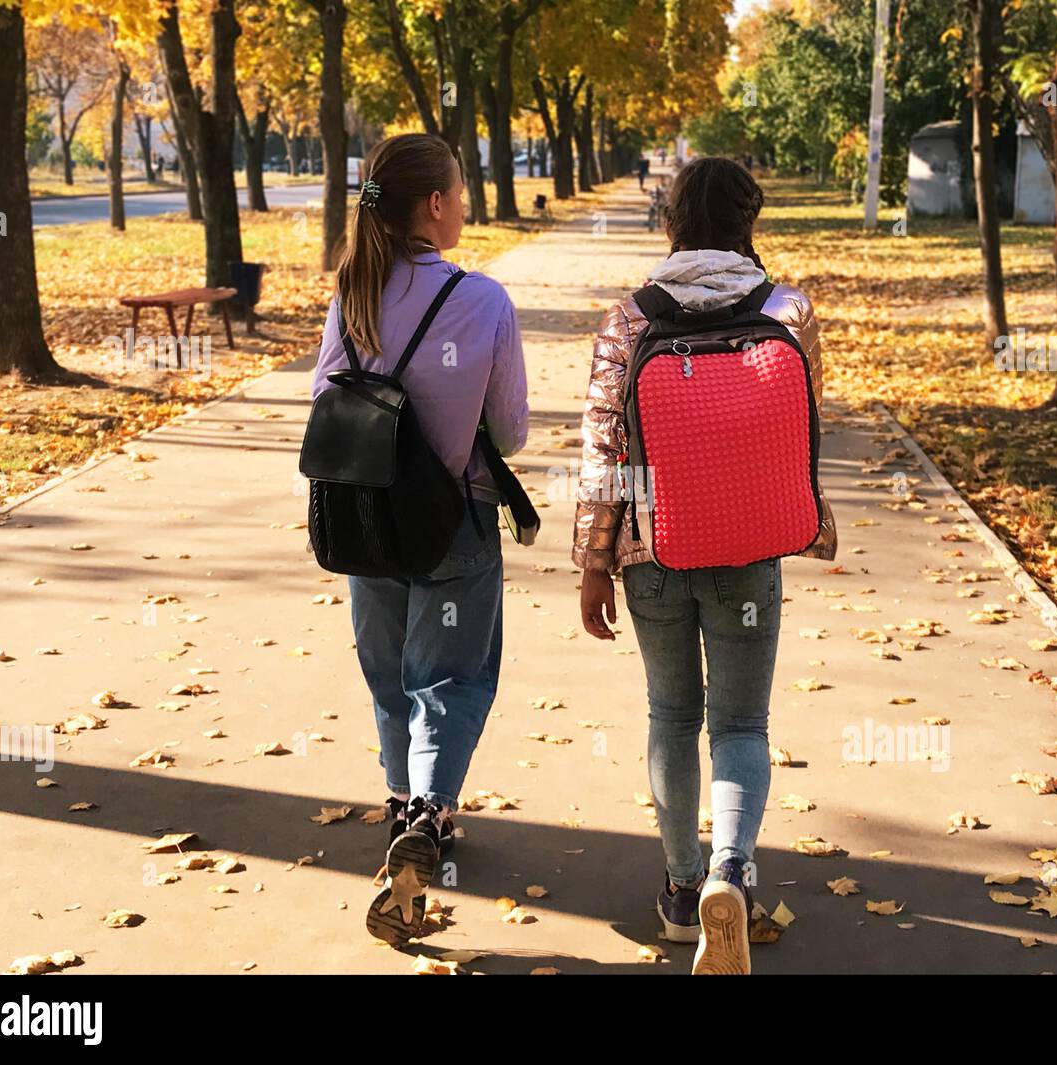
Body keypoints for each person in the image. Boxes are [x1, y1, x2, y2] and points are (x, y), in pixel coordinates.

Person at [573, 157, 836, 975]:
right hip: (751, 549)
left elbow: (603, 452)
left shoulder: (629, 319)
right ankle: (733, 873)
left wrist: (592, 558)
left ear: (670, 222)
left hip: (652, 548)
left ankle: (684, 890)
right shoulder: (788, 311)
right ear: (749, 221)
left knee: (672, 715)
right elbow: (807, 423)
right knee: (743, 724)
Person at [311, 132, 529, 946]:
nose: (466, 204)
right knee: (454, 677)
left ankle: (403, 802)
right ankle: (430, 820)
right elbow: (508, 432)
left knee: (390, 672)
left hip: (369, 520)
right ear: (434, 205)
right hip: (454, 521)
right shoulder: (484, 302)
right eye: (461, 191)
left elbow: (325, 395)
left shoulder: (353, 290)